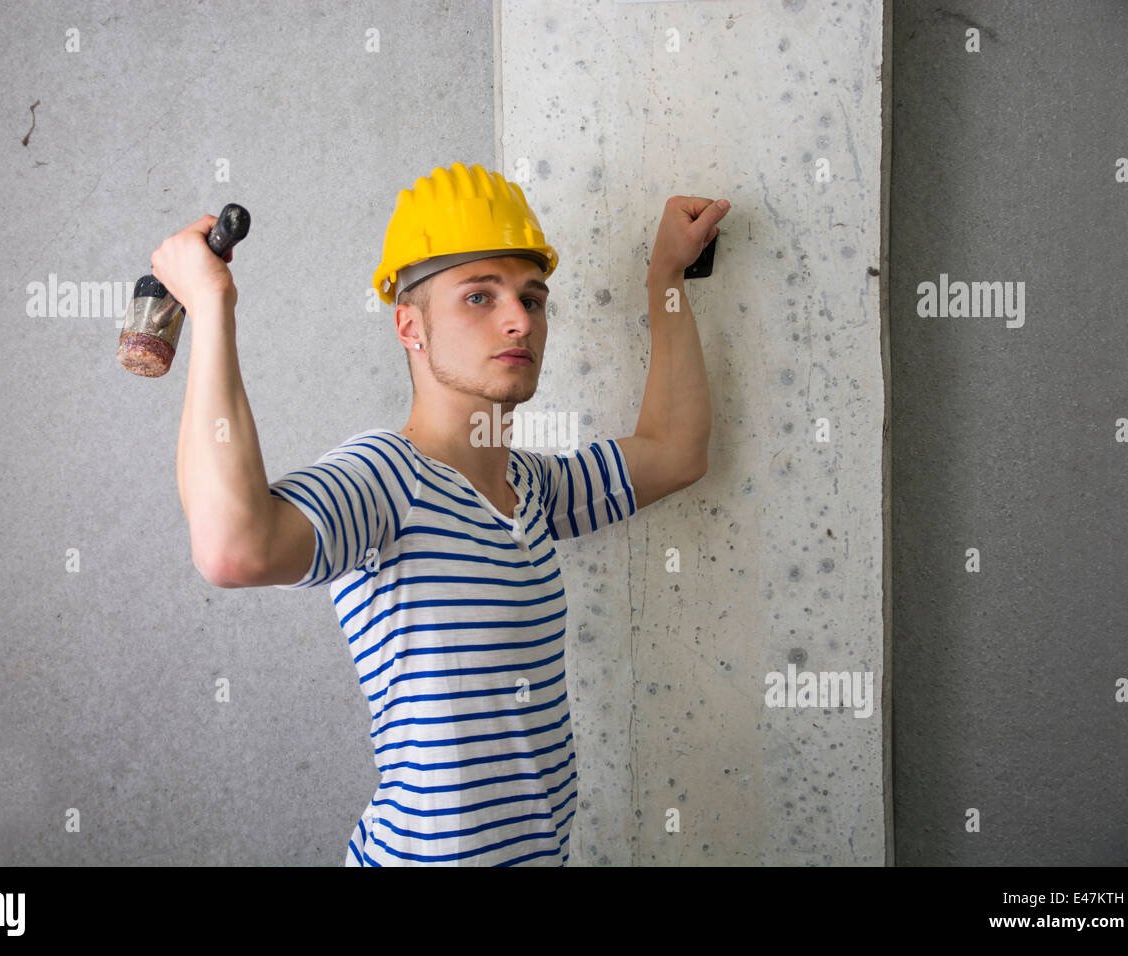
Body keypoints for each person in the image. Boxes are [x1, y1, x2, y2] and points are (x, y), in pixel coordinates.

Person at [153, 161, 728, 865]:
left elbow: (675, 450)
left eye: (533, 297)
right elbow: (231, 548)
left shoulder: (531, 489)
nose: (520, 318)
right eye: (479, 297)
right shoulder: (386, 478)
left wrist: (665, 280)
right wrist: (211, 307)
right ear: (410, 327)